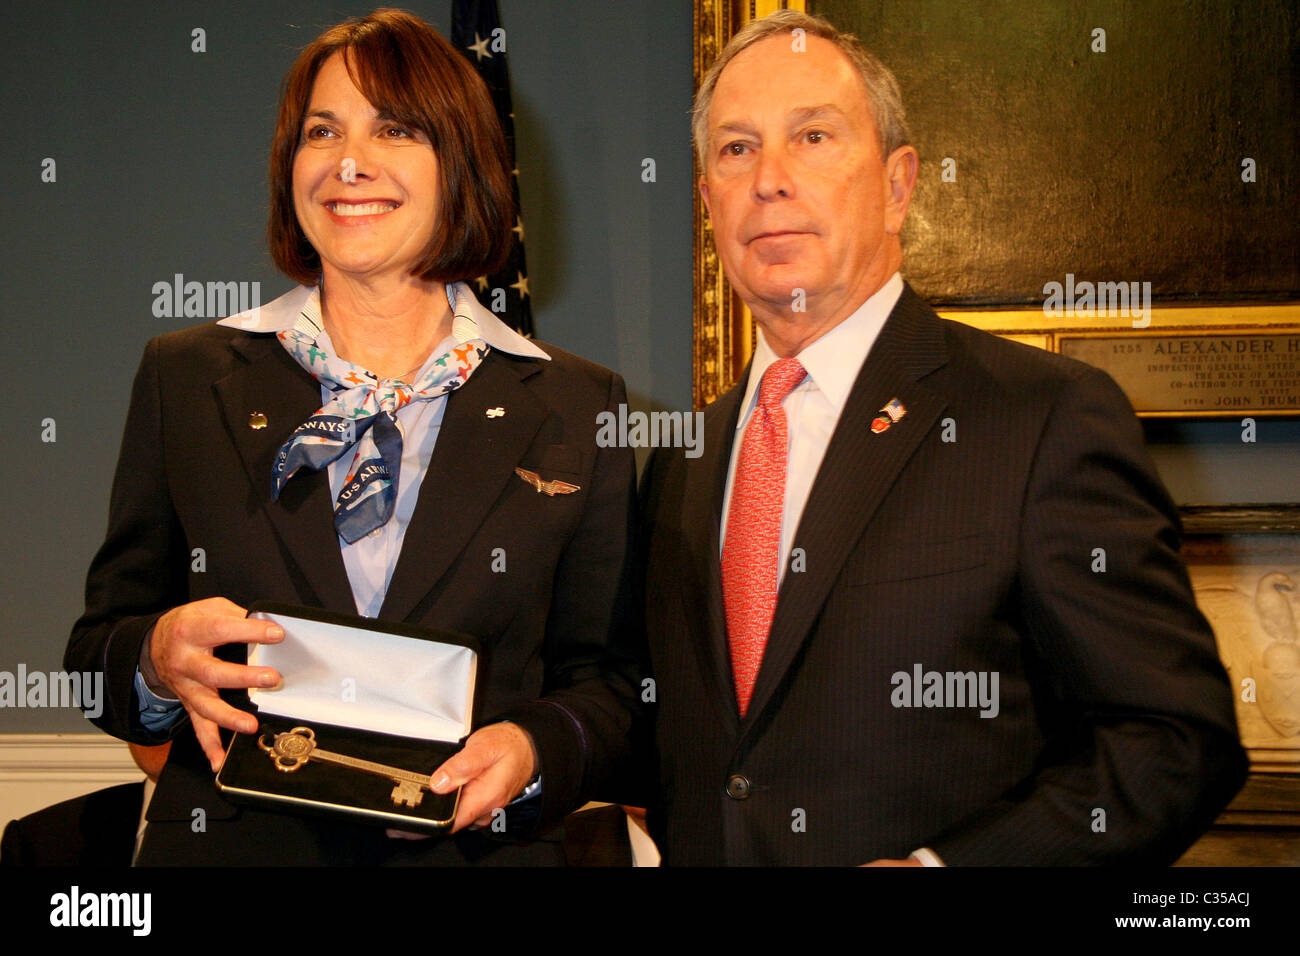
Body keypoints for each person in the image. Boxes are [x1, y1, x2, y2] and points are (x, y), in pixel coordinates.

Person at [640, 10, 1247, 865]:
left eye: (812, 135)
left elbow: (1175, 742)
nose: (768, 178)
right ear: (707, 200)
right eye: (736, 150)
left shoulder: (1043, 417)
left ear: (898, 184)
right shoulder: (682, 457)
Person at [65, 9, 642, 866]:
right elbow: (93, 657)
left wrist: (530, 751)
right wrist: (152, 658)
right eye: (321, 131)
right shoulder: (186, 376)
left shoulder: (576, 403)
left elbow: (612, 687)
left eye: (395, 130)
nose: (347, 162)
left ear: (463, 164)